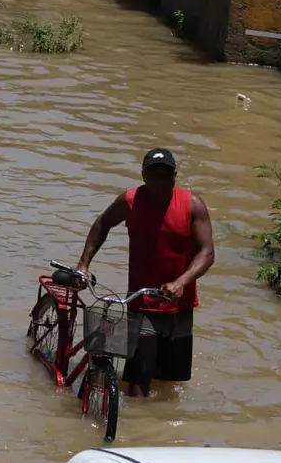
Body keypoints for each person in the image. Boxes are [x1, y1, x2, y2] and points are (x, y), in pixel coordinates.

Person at [76, 148, 216, 399]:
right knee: (139, 381)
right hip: (142, 302)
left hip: (180, 304)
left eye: (166, 175)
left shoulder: (192, 205)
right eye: (154, 175)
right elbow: (102, 224)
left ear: (175, 176)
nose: (160, 181)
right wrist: (84, 264)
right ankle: (134, 430)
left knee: (171, 382)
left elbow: (207, 252)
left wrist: (181, 282)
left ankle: (162, 432)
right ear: (143, 176)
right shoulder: (129, 201)